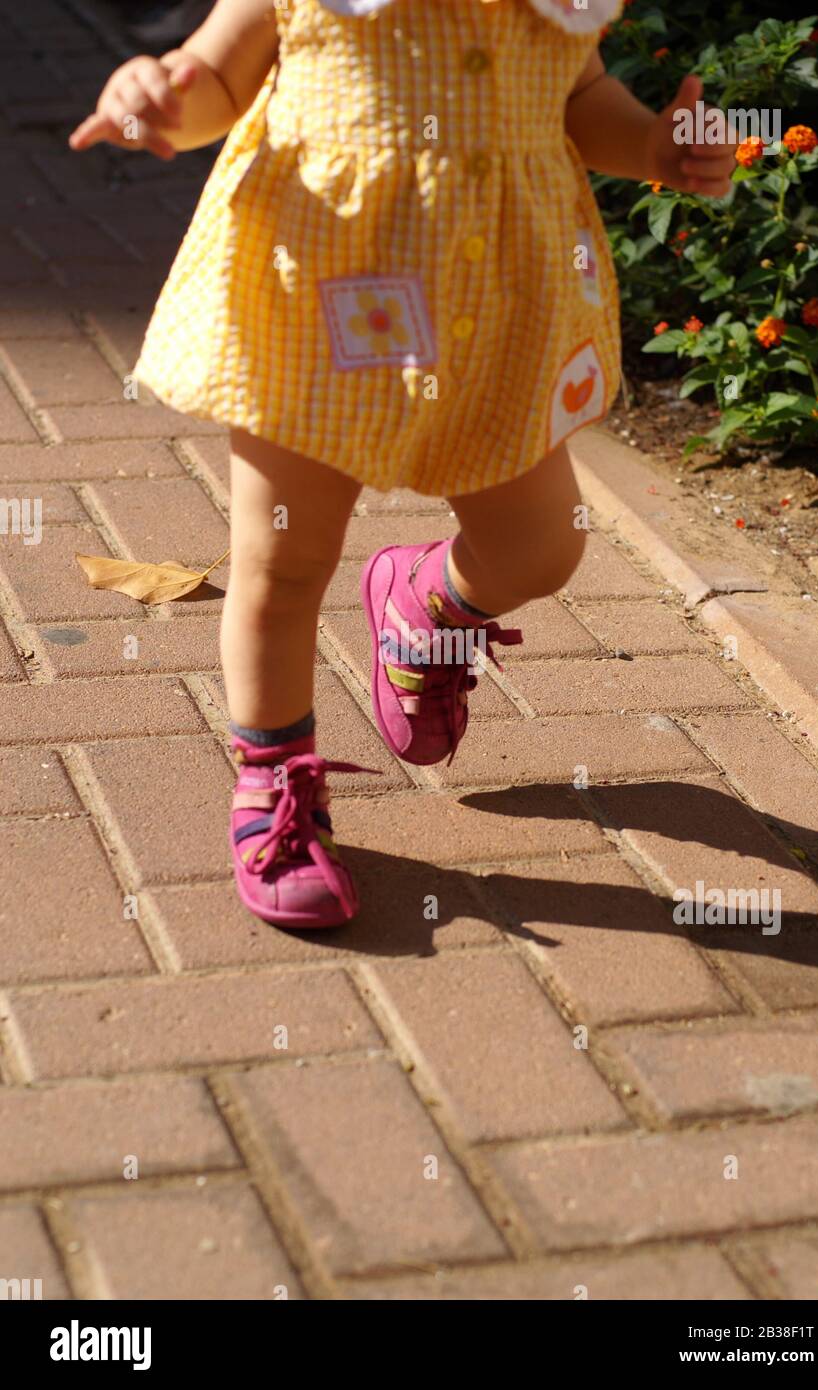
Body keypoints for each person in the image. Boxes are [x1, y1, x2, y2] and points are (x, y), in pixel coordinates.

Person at [69, 0, 735, 930]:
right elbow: (214, 78)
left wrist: (657, 151)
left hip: (501, 304)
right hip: (314, 294)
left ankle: (424, 606)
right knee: (284, 559)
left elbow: (578, 95)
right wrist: (157, 99)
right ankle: (274, 788)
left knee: (542, 547)